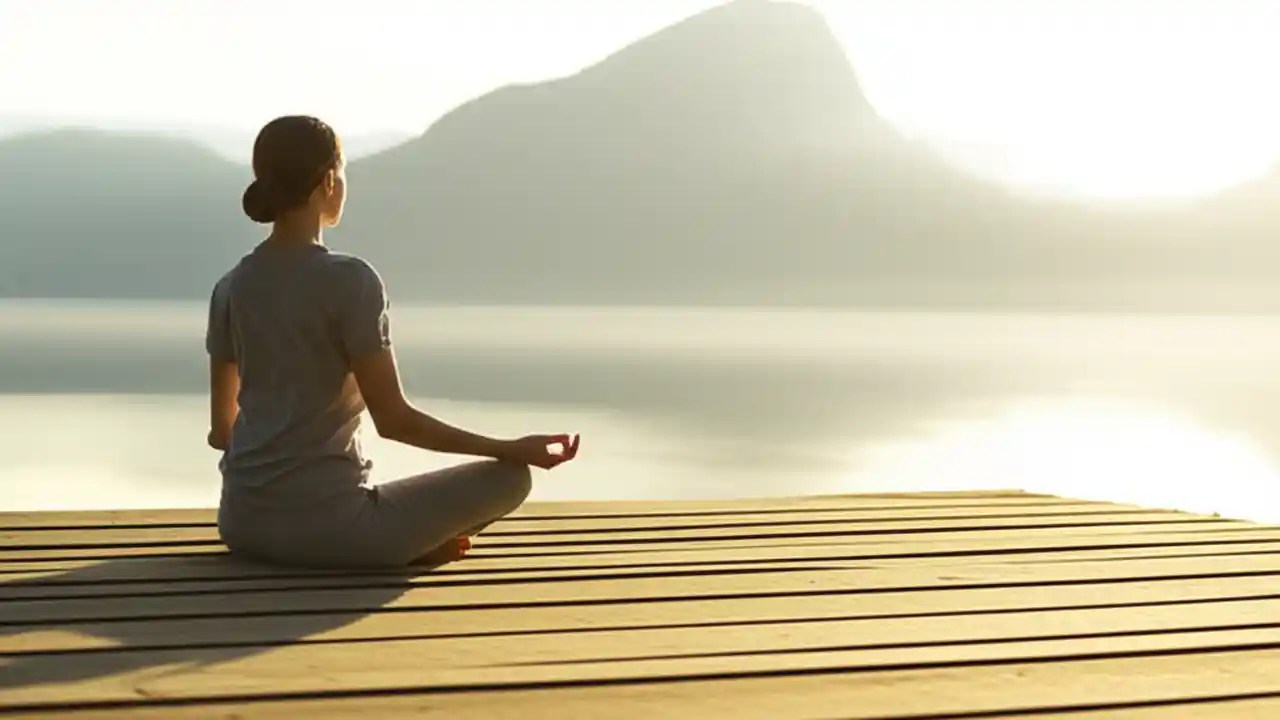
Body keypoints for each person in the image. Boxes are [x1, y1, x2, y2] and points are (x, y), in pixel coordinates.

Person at [206, 115, 580, 569]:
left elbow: (223, 432)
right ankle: (404, 546)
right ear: (328, 181)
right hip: (334, 533)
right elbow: (395, 421)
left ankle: (402, 542)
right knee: (510, 480)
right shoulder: (351, 281)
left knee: (370, 507)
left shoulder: (231, 286)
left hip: (242, 526)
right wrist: (508, 448)